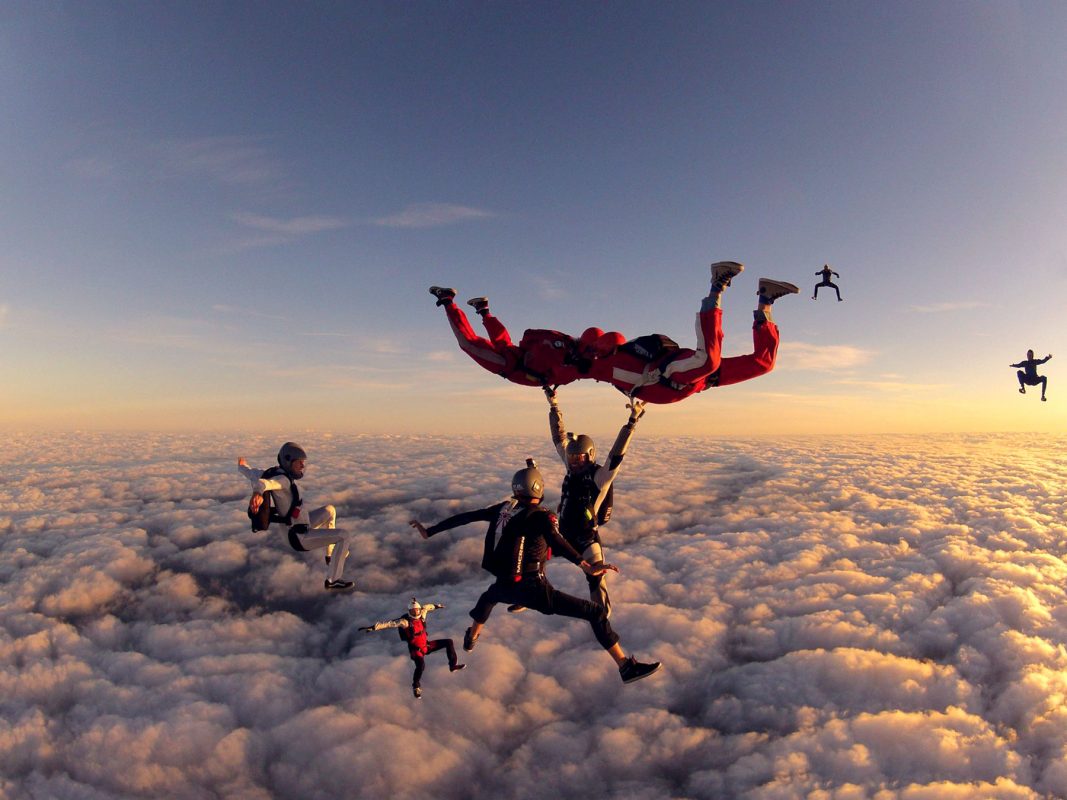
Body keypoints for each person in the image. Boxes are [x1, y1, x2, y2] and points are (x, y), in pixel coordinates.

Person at [409, 459, 661, 684]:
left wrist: (429, 531)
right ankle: (626, 667)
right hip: (534, 590)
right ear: (539, 489)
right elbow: (556, 538)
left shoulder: (503, 509)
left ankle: (472, 637)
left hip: (505, 586)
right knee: (595, 613)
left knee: (489, 598)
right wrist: (585, 565)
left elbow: (467, 516)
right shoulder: (542, 516)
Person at [515, 387, 644, 618]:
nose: (573, 462)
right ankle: (527, 595)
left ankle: (602, 616)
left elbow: (616, 455)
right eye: (572, 458)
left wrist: (631, 423)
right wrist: (553, 405)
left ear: (590, 455)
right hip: (562, 531)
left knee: (596, 578)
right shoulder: (572, 467)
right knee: (528, 556)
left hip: (586, 537)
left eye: (579, 458)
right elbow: (559, 437)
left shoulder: (599, 477)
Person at [586, 267, 799, 403]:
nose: (595, 350)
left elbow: (569, 362)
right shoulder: (599, 365)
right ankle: (766, 300)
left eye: (596, 346)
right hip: (697, 379)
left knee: (707, 361)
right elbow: (567, 363)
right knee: (763, 363)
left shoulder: (608, 362)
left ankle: (716, 287)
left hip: (673, 374)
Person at [238, 442, 355, 591]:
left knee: (329, 510)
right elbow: (263, 484)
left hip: (300, 525)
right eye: (299, 462)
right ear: (288, 462)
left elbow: (253, 474)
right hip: (298, 537)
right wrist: (257, 494)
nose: (302, 466)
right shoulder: (282, 481)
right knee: (344, 536)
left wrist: (241, 466)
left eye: (303, 462)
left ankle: (330, 555)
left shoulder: (275, 473)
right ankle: (333, 579)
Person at [428, 287, 585, 387]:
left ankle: (483, 309)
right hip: (509, 366)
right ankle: (447, 300)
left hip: (518, 356)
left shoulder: (566, 341)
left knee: (503, 342)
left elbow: (530, 335)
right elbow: (563, 374)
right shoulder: (579, 366)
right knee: (468, 343)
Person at [360, 598, 465, 698]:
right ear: (409, 612)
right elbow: (389, 624)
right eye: (413, 611)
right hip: (416, 651)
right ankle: (416, 687)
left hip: (426, 646)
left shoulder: (421, 615)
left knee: (449, 642)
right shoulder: (405, 622)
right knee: (421, 666)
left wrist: (437, 606)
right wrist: (373, 627)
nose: (415, 613)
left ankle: (452, 666)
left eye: (416, 610)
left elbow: (427, 607)